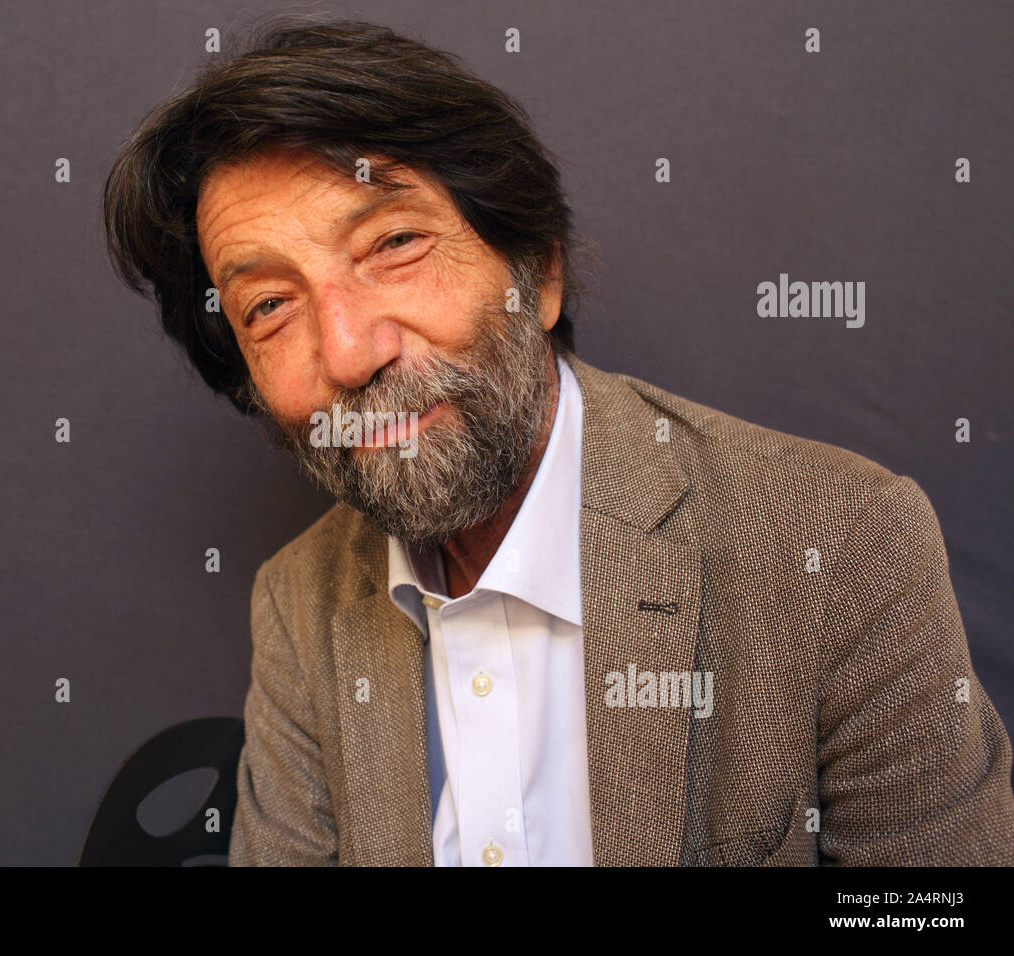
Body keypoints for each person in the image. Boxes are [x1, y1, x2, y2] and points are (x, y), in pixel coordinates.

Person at [102, 16, 1014, 865]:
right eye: (269, 305)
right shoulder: (297, 604)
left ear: (538, 275)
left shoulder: (842, 542)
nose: (347, 352)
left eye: (394, 245)